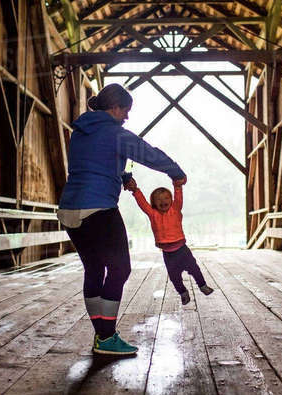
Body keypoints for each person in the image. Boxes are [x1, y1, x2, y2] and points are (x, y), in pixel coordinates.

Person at [57, 83, 186, 356]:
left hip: (69, 210)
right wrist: (176, 173)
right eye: (125, 111)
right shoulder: (117, 133)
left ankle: (101, 334)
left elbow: (94, 162)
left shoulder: (79, 133)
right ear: (115, 108)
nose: (126, 117)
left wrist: (124, 177)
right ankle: (106, 337)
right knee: (120, 269)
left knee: (94, 269)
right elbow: (149, 153)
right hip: (99, 209)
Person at [124, 177, 214, 305]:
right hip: (168, 254)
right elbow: (143, 203)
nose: (163, 201)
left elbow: (178, 199)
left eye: (166, 198)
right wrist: (135, 191)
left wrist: (177, 187)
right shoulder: (153, 214)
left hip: (183, 251)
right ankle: (183, 292)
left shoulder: (175, 210)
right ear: (154, 203)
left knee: (195, 269)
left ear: (171, 200)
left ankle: (203, 286)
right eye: (159, 199)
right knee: (174, 277)